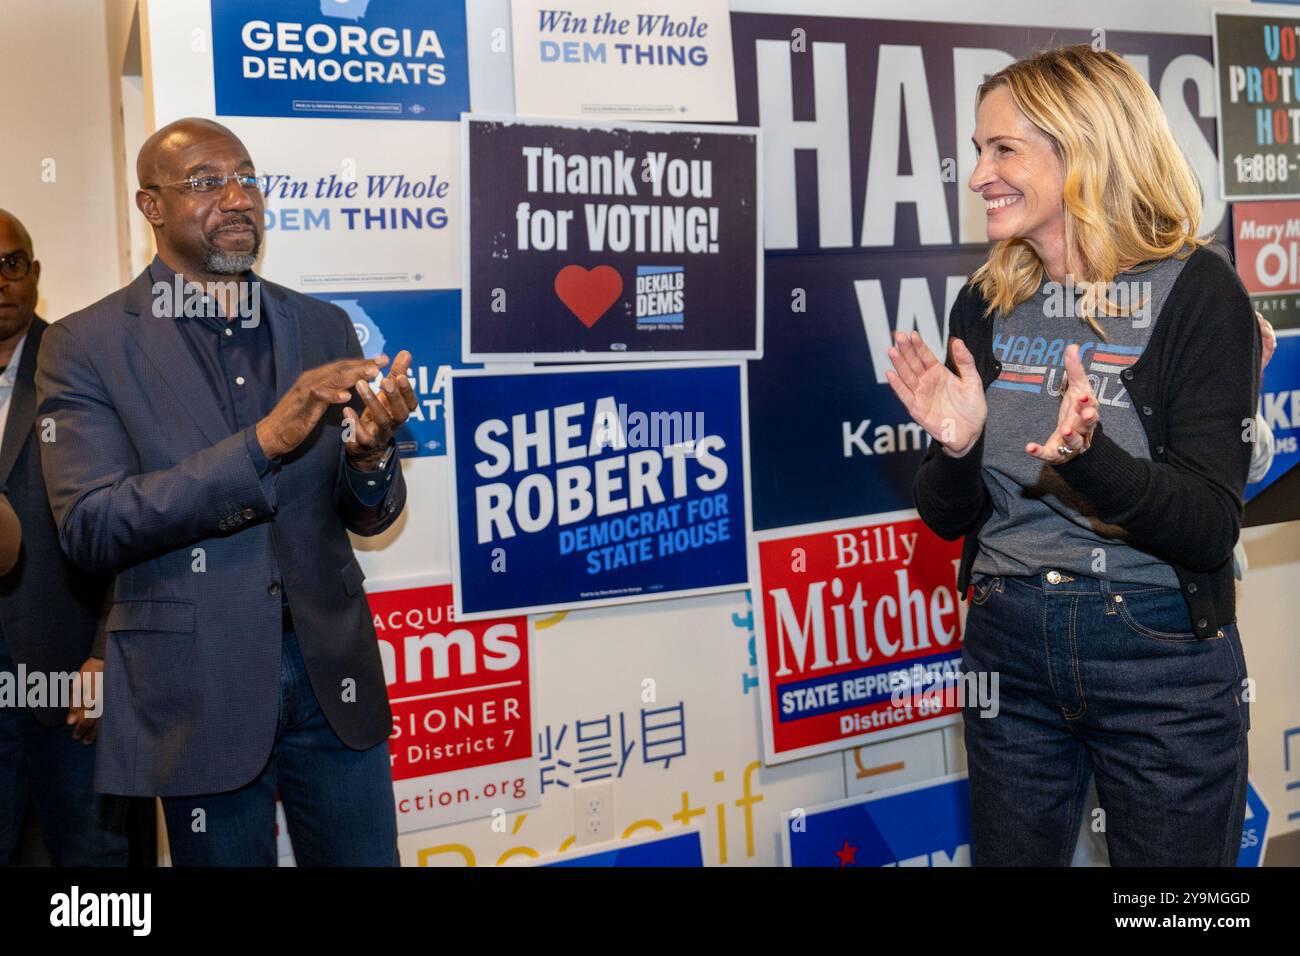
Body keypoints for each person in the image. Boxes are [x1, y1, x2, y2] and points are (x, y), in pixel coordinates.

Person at [886, 47, 1258, 866]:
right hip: (1005, 645)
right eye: (977, 151)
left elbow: (1206, 528)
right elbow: (949, 520)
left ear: (1084, 147)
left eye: (1002, 150)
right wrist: (956, 448)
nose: (978, 175)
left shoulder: (1199, 292)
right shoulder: (987, 297)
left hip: (1158, 659)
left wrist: (1087, 459)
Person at [36, 119, 416, 866]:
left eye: (246, 178)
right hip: (196, 690)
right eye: (207, 182)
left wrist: (369, 460)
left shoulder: (320, 324)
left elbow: (363, 511)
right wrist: (265, 441)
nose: (237, 197)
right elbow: (91, 523)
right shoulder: (86, 344)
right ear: (151, 206)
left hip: (330, 677)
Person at [0, 210, 129, 866]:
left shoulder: (86, 370)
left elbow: (130, 524)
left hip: (69, 679)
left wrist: (108, 653)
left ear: (35, 273)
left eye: (10, 263)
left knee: (93, 874)